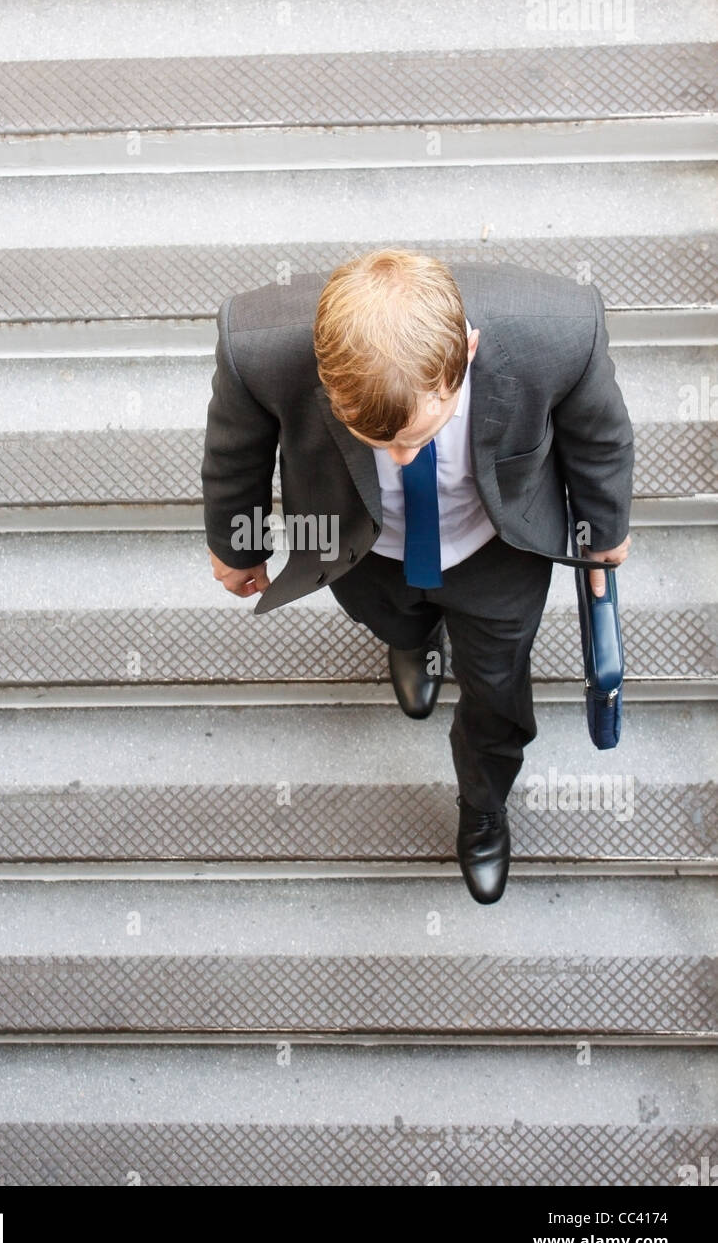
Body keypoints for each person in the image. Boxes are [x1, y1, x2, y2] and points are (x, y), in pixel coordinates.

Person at [202, 249, 634, 904]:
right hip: (363, 544)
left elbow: (599, 437)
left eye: (416, 435)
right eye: (380, 442)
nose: (402, 458)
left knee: (496, 688)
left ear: (466, 351)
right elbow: (236, 449)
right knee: (389, 616)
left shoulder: (561, 330)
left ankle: (484, 804)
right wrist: (241, 544)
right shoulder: (255, 344)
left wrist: (602, 538)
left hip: (498, 549)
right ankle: (413, 640)